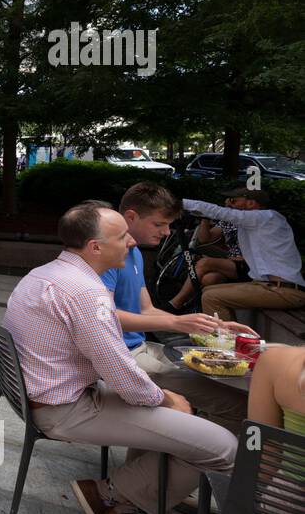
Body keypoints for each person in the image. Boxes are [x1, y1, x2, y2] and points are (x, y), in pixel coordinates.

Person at [4, 200, 237, 514]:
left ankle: (123, 490)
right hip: (65, 409)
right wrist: (167, 398)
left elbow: (116, 367)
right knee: (223, 446)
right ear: (95, 247)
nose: (131, 242)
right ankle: (123, 503)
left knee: (169, 413)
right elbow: (121, 373)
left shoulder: (45, 273)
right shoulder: (86, 292)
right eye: (122, 236)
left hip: (50, 397)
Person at [102, 183, 257, 434]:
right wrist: (175, 323)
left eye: (169, 225)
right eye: (159, 224)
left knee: (214, 382)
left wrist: (207, 324)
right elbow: (103, 317)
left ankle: (162, 465)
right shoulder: (108, 254)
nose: (166, 232)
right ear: (130, 217)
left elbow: (146, 309)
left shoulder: (135, 253)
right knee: (242, 406)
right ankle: (195, 465)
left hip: (140, 348)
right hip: (121, 359)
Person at [180, 189, 305, 320]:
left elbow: (219, 212)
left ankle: (226, 339)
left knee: (211, 297)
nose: (228, 204)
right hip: (267, 286)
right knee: (208, 291)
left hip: (286, 290)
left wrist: (177, 203)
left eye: (233, 201)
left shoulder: (267, 217)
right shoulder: (249, 225)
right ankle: (231, 334)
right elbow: (207, 237)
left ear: (251, 203)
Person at [166, 195, 250, 311]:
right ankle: (200, 308)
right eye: (228, 201)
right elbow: (205, 239)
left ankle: (176, 303)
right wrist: (205, 219)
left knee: (204, 263)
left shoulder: (250, 219)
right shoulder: (228, 221)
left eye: (233, 201)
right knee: (209, 279)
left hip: (247, 265)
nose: (229, 204)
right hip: (232, 265)